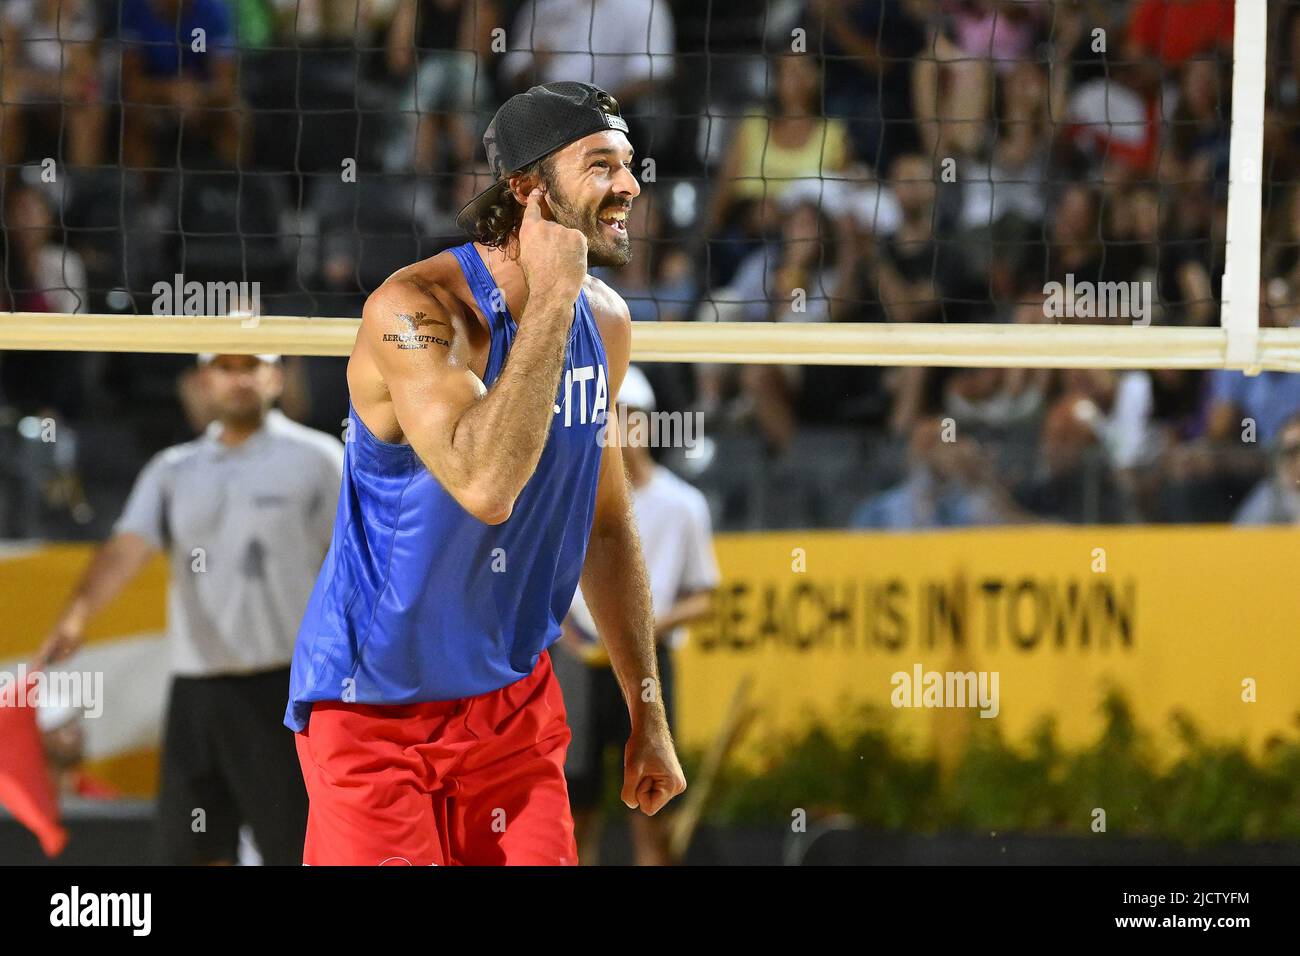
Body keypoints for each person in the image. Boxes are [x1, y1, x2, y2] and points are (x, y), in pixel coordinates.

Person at [286, 81, 686, 866]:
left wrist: (649, 711)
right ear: (529, 189)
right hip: (374, 712)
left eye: (630, 165)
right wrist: (550, 302)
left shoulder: (603, 320)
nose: (630, 186)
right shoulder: (412, 310)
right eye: (601, 164)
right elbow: (487, 487)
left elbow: (605, 525)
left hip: (512, 711)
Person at [37, 353, 344, 864]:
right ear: (204, 380)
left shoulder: (319, 457)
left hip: (289, 689)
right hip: (197, 690)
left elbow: (355, 560)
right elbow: (125, 549)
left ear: (276, 375)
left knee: (295, 849)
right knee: (189, 853)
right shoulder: (173, 469)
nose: (239, 377)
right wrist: (76, 616)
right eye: (225, 366)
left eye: (252, 364)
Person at [555, 366, 718, 865]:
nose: (610, 432)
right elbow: (551, 589)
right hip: (581, 666)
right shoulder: (574, 500)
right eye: (603, 421)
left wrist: (638, 631)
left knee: (651, 810)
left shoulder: (682, 505)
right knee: (576, 813)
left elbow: (704, 598)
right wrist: (573, 636)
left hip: (646, 669)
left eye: (621, 419)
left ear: (645, 424)